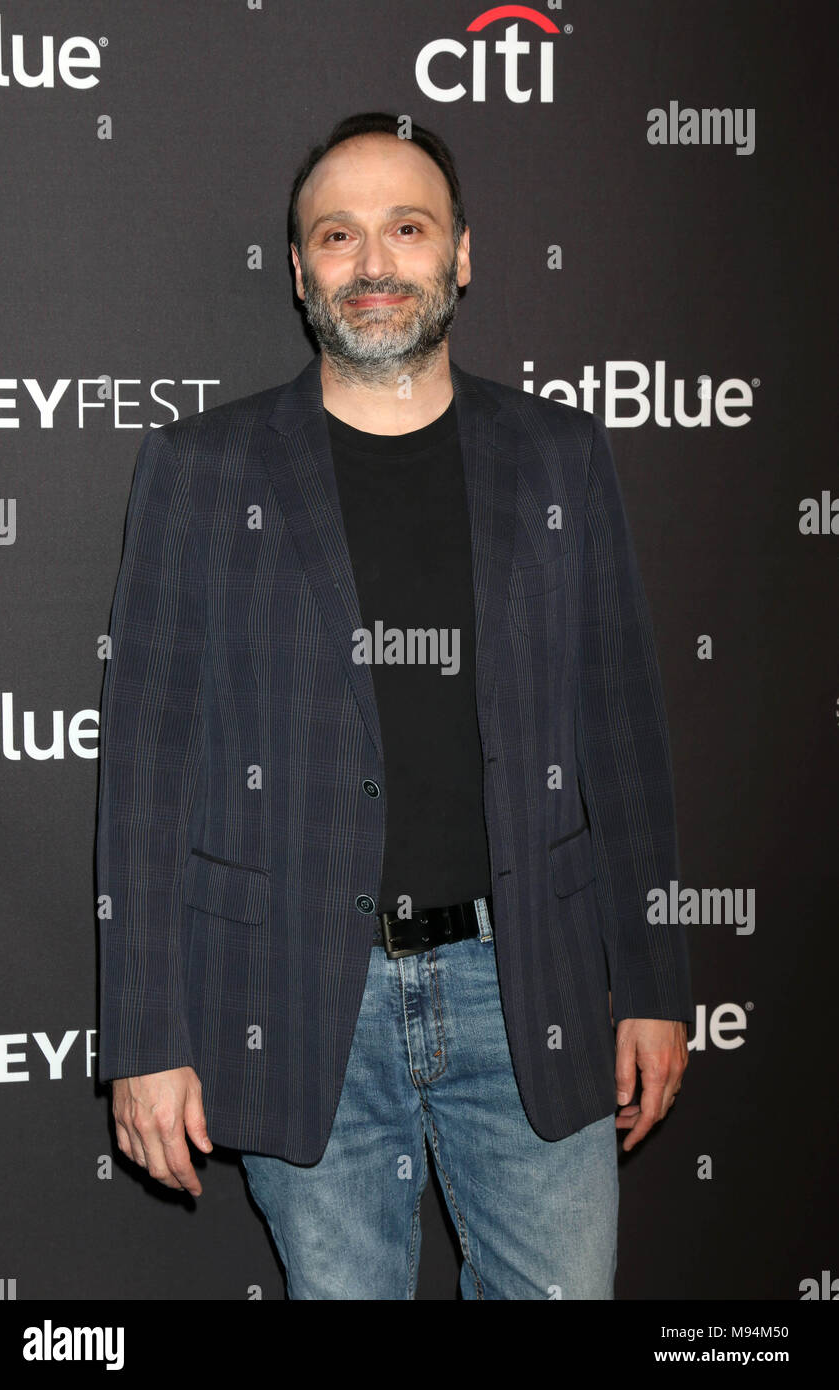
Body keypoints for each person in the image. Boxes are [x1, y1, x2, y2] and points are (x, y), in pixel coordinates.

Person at [96, 110, 694, 1300]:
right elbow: (146, 767)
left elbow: (620, 733)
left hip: (530, 987)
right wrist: (145, 1037)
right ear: (300, 271)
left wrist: (660, 981)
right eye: (337, 236)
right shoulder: (201, 473)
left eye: (405, 229)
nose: (372, 264)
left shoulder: (560, 459)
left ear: (460, 254)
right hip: (296, 999)